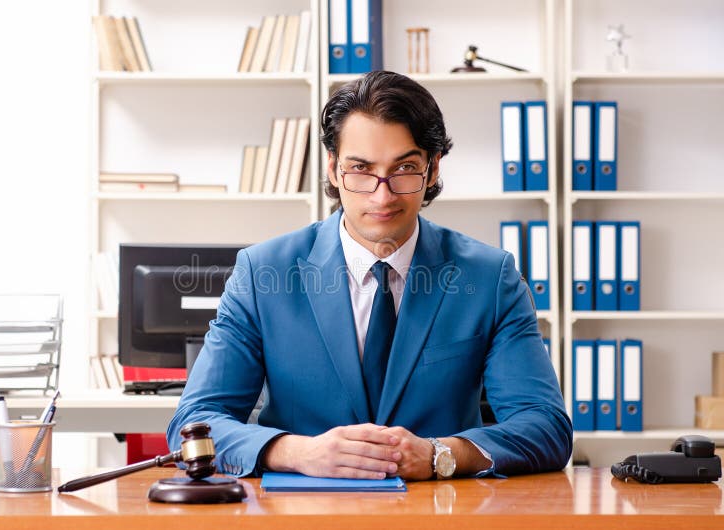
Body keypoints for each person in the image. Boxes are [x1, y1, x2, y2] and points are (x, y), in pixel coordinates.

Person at [168, 71, 572, 480]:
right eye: (361, 169)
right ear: (333, 169)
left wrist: (439, 455)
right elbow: (195, 422)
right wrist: (298, 452)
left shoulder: (490, 278)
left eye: (405, 169)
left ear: (432, 170)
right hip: (302, 515)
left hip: (439, 515)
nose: (382, 195)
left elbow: (546, 427)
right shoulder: (262, 273)